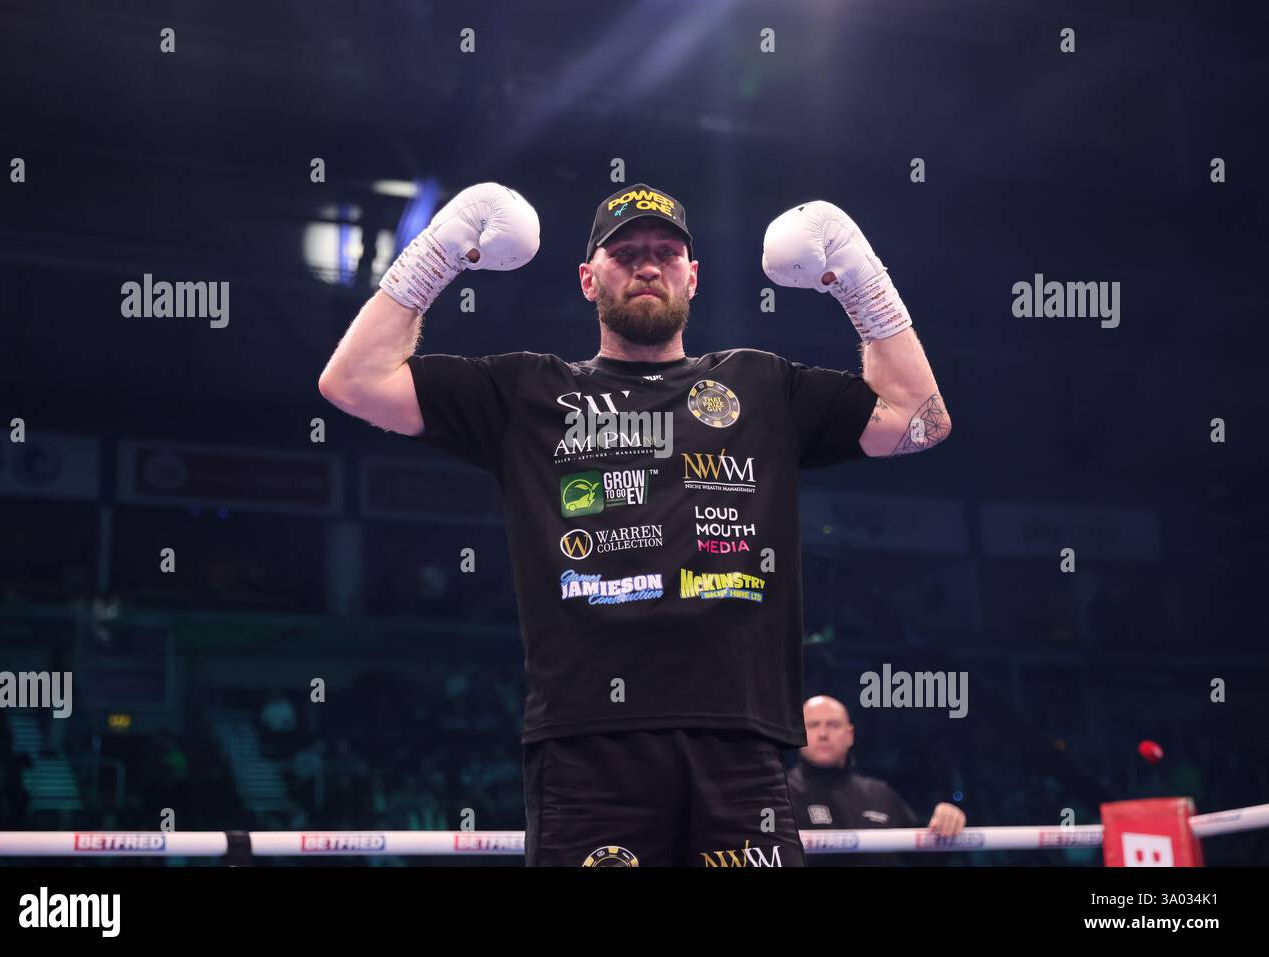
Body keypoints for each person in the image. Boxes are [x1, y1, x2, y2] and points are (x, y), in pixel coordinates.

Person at [318, 182, 952, 866]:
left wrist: (855, 275)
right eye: (625, 254)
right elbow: (353, 381)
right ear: (590, 278)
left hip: (742, 745)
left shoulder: (759, 385)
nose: (647, 266)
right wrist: (441, 251)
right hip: (589, 745)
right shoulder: (528, 391)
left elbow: (921, 418)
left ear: (692, 275)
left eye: (665, 251)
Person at [788, 696, 966, 865]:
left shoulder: (879, 795)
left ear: (849, 735)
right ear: (797, 733)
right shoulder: (781, 795)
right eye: (812, 725)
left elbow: (928, 859)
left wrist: (946, 823)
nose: (823, 734)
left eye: (833, 725)